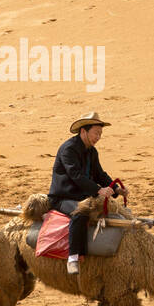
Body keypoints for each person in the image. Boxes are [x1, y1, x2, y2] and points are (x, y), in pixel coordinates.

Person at [48, 112, 116, 276]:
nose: (98, 137)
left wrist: (116, 189)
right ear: (83, 131)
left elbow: (100, 174)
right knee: (81, 212)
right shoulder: (68, 149)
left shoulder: (92, 152)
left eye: (100, 134)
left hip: (83, 196)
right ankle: (73, 258)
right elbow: (75, 175)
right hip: (63, 197)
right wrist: (99, 190)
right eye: (96, 133)